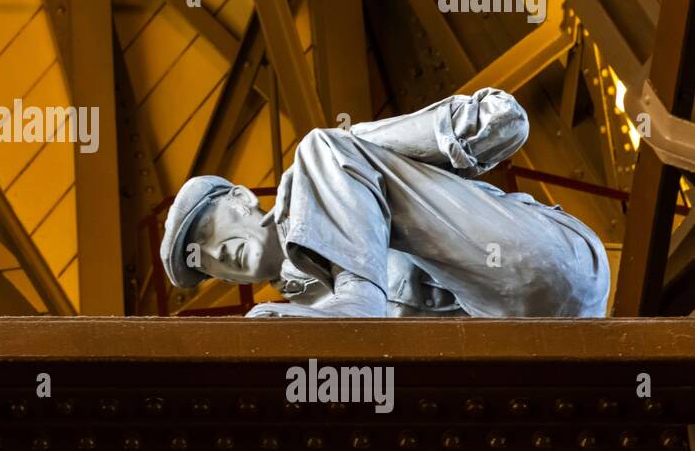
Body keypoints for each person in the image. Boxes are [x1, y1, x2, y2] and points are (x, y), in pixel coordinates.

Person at [160, 88, 610, 319]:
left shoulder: (327, 166)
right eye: (204, 265)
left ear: (240, 198)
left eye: (206, 232)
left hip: (548, 258)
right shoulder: (309, 315)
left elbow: (501, 120)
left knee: (323, 147)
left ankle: (360, 298)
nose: (216, 255)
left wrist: (467, 129)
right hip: (514, 330)